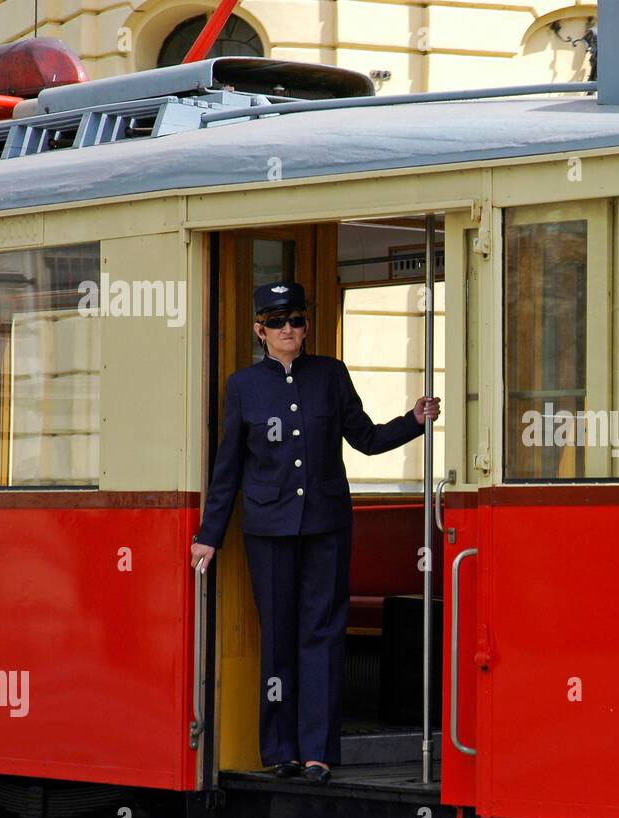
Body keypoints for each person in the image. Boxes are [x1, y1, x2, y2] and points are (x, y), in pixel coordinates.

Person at [188, 281, 440, 783]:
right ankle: (282, 748)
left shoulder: (330, 374)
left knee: (322, 637)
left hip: (325, 525)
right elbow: (229, 467)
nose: (289, 330)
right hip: (269, 529)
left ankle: (319, 751)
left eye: (297, 321)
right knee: (279, 638)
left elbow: (365, 439)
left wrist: (413, 421)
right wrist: (209, 534)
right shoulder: (244, 386)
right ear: (260, 329)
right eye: (278, 322)